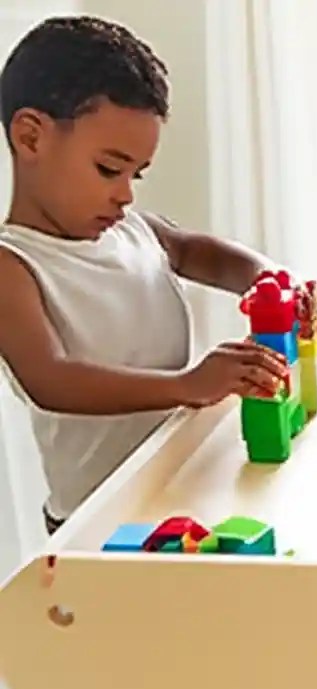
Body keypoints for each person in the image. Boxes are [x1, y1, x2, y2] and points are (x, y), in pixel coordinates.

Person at [0, 16, 301, 535]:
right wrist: (187, 385)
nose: (125, 194)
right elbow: (50, 379)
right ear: (31, 137)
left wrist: (266, 278)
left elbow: (195, 250)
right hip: (96, 521)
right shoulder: (14, 264)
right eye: (108, 169)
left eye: (135, 174)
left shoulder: (132, 230)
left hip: (171, 480)